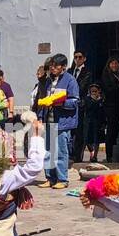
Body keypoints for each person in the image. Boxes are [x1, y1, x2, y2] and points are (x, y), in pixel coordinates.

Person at [40, 54, 80, 189]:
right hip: (49, 120)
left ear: (63, 67)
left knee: (61, 151)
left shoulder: (70, 80)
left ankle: (62, 179)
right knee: (48, 151)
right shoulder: (48, 81)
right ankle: (50, 177)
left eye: (55, 65)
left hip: (62, 122)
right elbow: (43, 99)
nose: (52, 68)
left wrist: (60, 103)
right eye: (51, 65)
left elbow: (74, 101)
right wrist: (40, 116)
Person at [70, 52, 94, 159]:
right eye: (75, 57)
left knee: (80, 131)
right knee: (71, 131)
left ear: (84, 59)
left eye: (80, 57)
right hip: (71, 104)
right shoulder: (70, 71)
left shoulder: (87, 72)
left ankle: (78, 155)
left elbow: (84, 87)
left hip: (81, 105)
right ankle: (71, 153)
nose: (77, 59)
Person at [101, 57, 119, 155]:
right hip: (110, 107)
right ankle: (109, 154)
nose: (114, 65)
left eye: (116, 63)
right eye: (112, 63)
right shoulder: (106, 76)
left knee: (117, 129)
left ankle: (115, 153)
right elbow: (109, 91)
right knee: (111, 129)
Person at [82, 82, 108, 162]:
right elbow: (88, 107)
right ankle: (91, 151)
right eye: (92, 91)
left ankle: (95, 155)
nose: (94, 93)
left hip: (98, 122)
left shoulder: (102, 100)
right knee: (87, 139)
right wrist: (94, 100)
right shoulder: (87, 99)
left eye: (95, 91)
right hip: (89, 122)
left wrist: (104, 123)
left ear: (99, 91)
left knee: (97, 139)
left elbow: (103, 111)